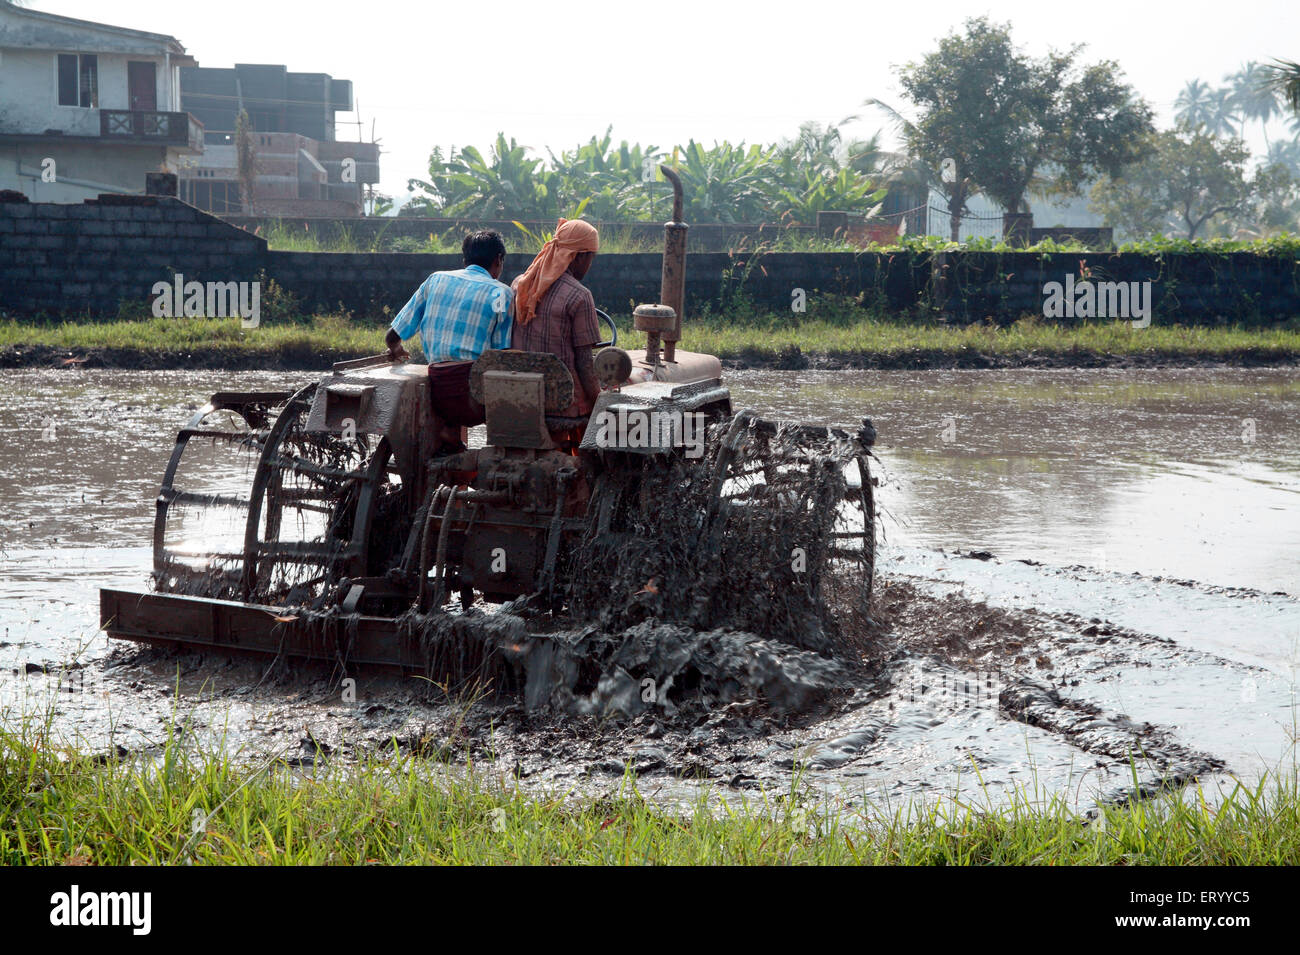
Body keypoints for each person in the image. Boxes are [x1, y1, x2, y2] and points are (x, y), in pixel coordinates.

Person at [385, 230, 512, 448]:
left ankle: (451, 435)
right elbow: (501, 356)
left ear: (465, 260)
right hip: (474, 396)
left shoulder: (435, 280)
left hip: (438, 386)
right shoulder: (501, 293)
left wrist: (396, 349)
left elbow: (392, 336)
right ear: (498, 260)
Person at [510, 219, 602, 420]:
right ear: (578, 257)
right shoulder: (580, 296)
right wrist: (602, 404)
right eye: (590, 258)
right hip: (562, 400)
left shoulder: (519, 285)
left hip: (520, 393)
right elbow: (585, 364)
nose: (589, 265)